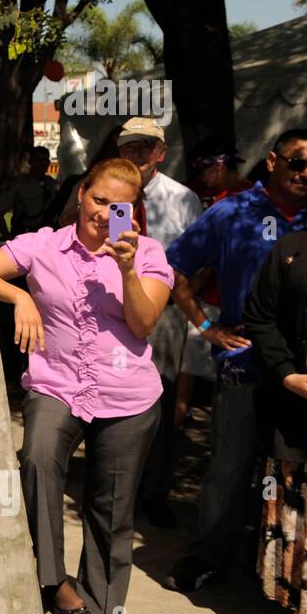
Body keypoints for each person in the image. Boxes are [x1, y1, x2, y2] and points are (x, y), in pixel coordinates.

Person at [0, 158, 173, 614]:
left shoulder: (148, 254)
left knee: (112, 508)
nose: (104, 214)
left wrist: (125, 268)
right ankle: (53, 580)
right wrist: (19, 297)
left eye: (118, 206)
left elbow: (142, 325)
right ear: (81, 194)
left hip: (127, 398)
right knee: (35, 459)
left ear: (133, 209)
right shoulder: (42, 244)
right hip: (56, 385)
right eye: (99, 200)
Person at [163, 128, 307, 594]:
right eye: (297, 162)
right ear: (271, 161)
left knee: (292, 474)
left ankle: (279, 569)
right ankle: (208, 557)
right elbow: (174, 268)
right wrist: (205, 326)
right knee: (229, 468)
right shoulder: (232, 211)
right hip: (246, 365)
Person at [114, 117, 204, 528]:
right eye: (130, 147)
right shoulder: (108, 195)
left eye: (145, 147)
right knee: (114, 399)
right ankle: (115, 490)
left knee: (161, 402)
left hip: (164, 314)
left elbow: (200, 261)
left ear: (161, 153)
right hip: (113, 311)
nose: (138, 155)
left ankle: (153, 493)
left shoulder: (183, 199)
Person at [242, 206, 307, 614]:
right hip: (298, 410)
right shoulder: (292, 248)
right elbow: (261, 317)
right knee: (303, 507)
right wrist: (286, 373)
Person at [174, 137, 252, 433]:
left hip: (235, 301)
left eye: (204, 168)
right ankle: (176, 426)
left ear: (221, 164)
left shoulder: (249, 198)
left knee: (232, 374)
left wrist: (196, 281)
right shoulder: (197, 194)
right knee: (188, 367)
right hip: (200, 300)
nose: (201, 175)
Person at [0, 146, 56, 240]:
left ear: (48, 163)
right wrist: (7, 237)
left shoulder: (54, 185)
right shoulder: (19, 185)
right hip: (24, 237)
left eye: (44, 160)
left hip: (48, 240)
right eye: (37, 160)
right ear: (30, 162)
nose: (41, 164)